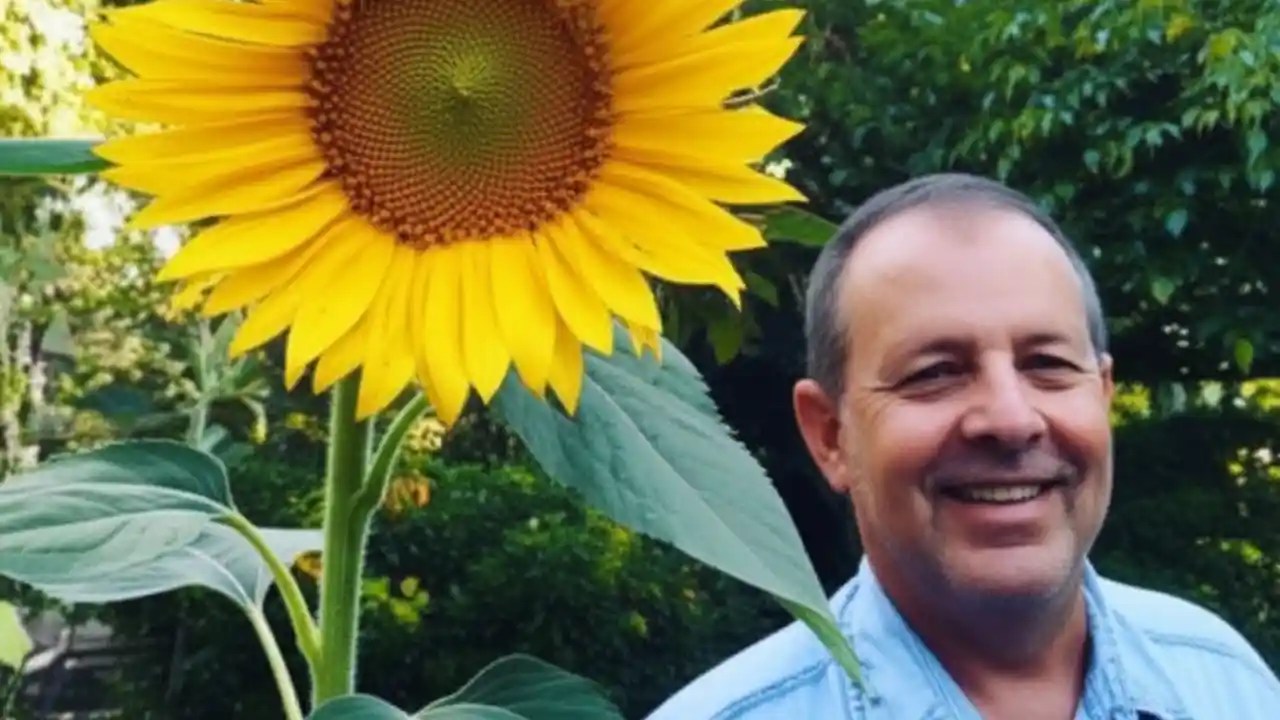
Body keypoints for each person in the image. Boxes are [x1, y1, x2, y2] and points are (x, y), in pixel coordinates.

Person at [646, 173, 1280, 719]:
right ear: (830, 435)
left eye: (1048, 363)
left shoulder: (1226, 687)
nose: (1011, 419)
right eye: (935, 373)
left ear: (1104, 395)